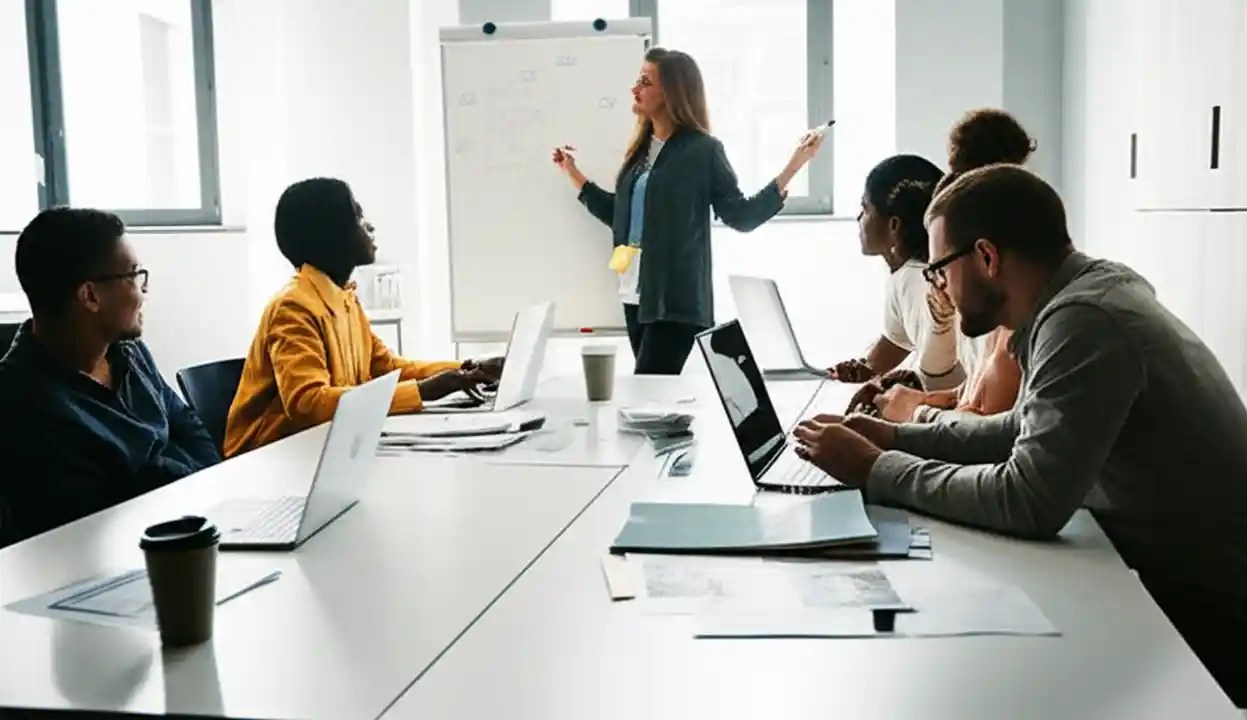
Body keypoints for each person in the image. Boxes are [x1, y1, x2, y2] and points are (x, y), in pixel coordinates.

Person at [794, 164, 1247, 710]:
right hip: (1190, 588)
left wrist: (873, 469)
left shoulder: (1084, 321)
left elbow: (1028, 499)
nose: (941, 288)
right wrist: (895, 435)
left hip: (1236, 620)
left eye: (940, 269)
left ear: (986, 257)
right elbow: (1023, 429)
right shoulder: (1083, 296)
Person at [552, 47, 824, 375]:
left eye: (644, 81)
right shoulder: (639, 153)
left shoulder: (703, 150)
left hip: (676, 301)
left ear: (671, 91)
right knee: (654, 403)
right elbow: (619, 216)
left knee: (647, 389)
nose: (634, 88)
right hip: (633, 293)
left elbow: (741, 215)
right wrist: (573, 173)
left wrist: (795, 163)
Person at [223, 178, 503, 457]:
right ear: (330, 234)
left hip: (323, 447)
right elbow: (308, 403)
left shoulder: (343, 298)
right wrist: (425, 390)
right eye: (357, 216)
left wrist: (467, 370)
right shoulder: (293, 307)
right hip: (268, 459)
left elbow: (387, 367)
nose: (369, 226)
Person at [0, 208, 220, 548]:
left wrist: (176, 476)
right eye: (133, 276)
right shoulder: (23, 401)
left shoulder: (130, 354)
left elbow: (190, 431)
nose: (143, 291)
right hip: (111, 571)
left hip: (188, 535)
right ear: (90, 296)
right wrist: (173, 475)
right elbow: (108, 518)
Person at [846, 108, 1035, 421]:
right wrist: (913, 395)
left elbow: (984, 432)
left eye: (940, 267)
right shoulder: (993, 309)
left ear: (985, 255)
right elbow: (968, 396)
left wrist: (913, 413)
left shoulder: (1014, 324)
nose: (935, 280)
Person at [826, 155, 959, 394]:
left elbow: (938, 383)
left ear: (893, 225)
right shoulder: (913, 275)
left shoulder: (914, 281)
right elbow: (896, 340)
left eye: (865, 209)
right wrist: (861, 369)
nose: (859, 219)